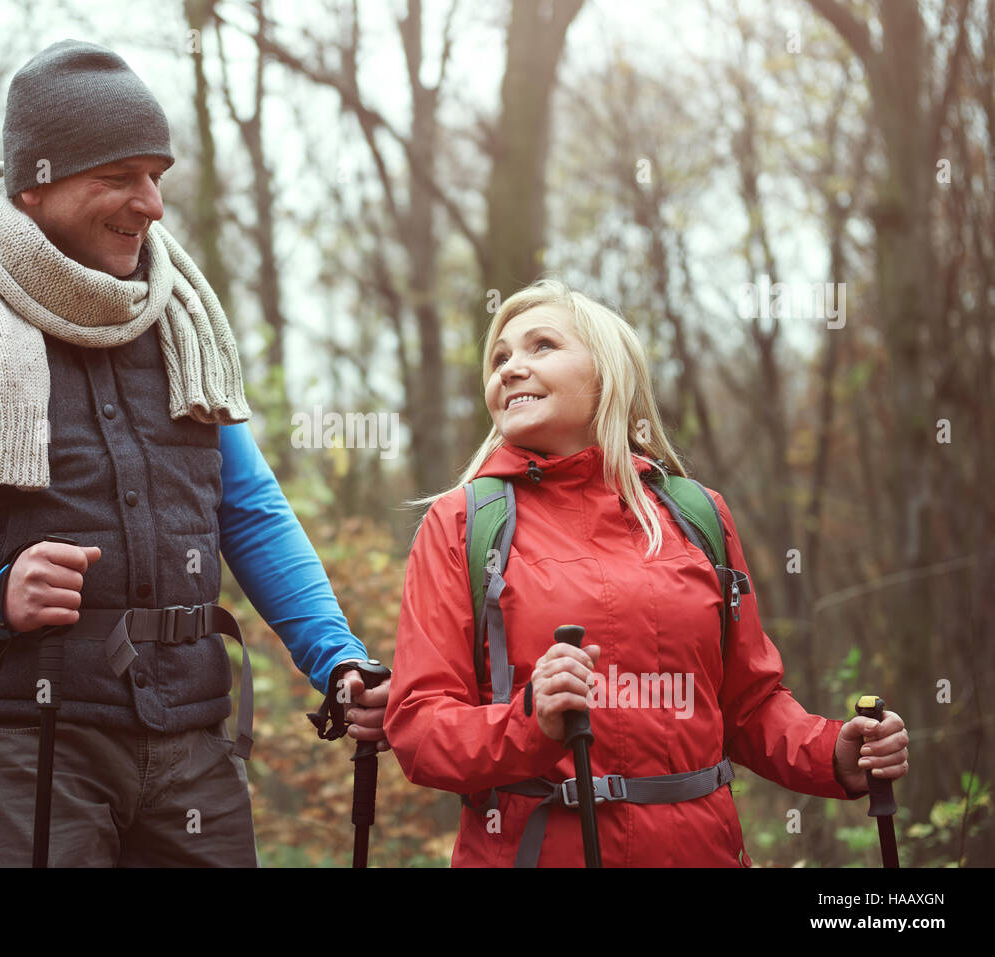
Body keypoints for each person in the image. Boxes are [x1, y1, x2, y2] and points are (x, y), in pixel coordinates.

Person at [0, 39, 389, 867]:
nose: (151, 205)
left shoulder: (181, 319)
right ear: (35, 184)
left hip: (191, 747)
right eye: (120, 176)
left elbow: (247, 511)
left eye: (158, 176)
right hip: (12, 750)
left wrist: (339, 659)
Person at [382, 278, 909, 867]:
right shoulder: (460, 523)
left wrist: (834, 752)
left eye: (542, 346)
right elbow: (419, 727)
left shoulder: (697, 514)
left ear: (608, 373)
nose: (510, 368)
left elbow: (748, 704)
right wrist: (530, 721)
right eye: (500, 357)